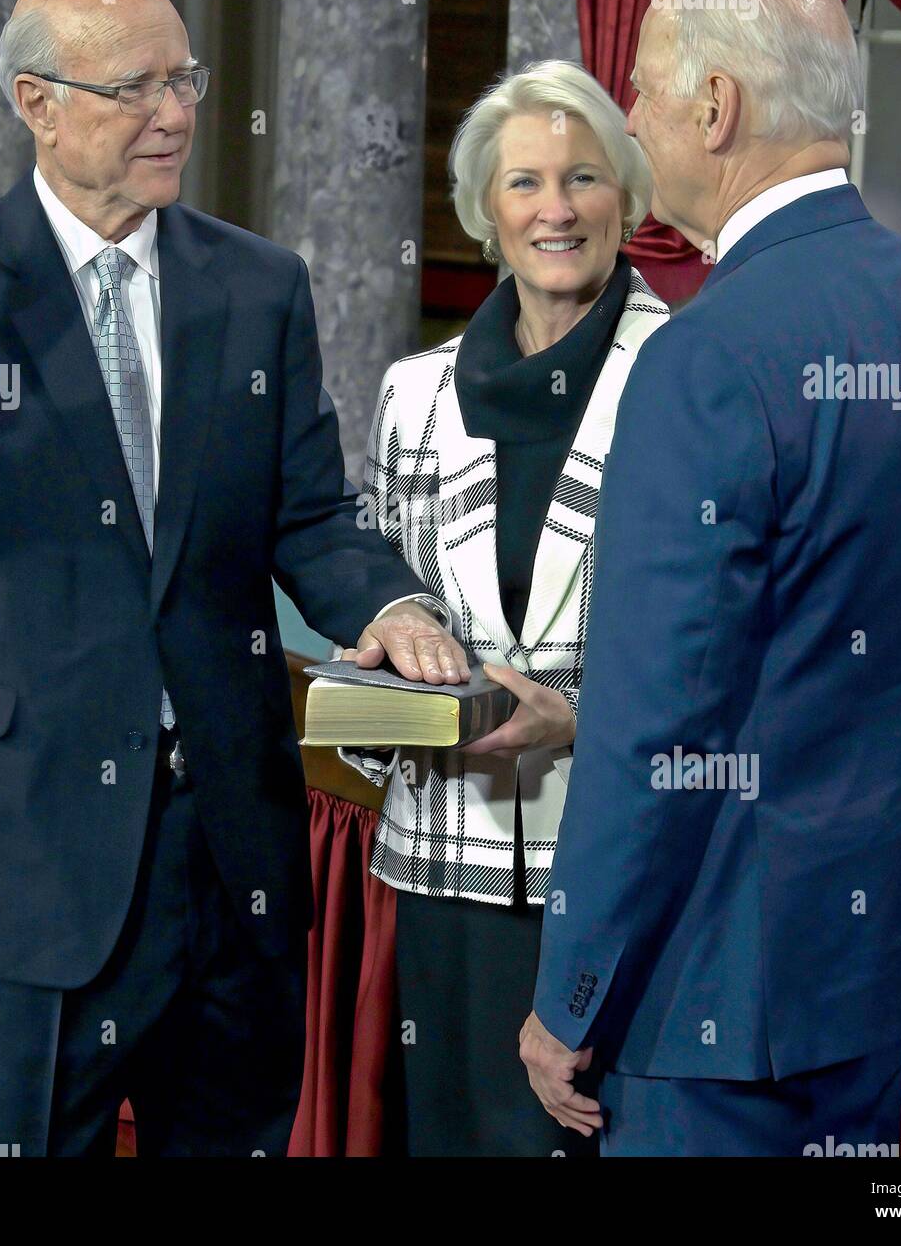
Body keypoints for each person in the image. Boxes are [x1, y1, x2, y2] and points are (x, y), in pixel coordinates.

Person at [0, 0, 470, 1157]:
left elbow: (308, 513)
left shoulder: (256, 284)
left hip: (227, 857)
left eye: (184, 79)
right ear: (38, 102)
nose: (178, 114)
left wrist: (391, 598)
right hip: (18, 857)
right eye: (135, 86)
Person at [518, 0, 901, 1156]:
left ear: (715, 106)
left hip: (711, 987)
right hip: (877, 962)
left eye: (645, 90)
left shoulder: (704, 356)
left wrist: (571, 997)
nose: (635, 122)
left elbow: (658, 723)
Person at [339, 60, 668, 1155]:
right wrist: (384, 675)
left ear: (627, 196)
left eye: (583, 178)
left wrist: (584, 720)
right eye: (524, 182)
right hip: (449, 855)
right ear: (486, 208)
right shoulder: (412, 391)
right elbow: (386, 586)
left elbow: (724, 638)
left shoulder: (688, 375)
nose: (556, 208)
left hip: (621, 863)